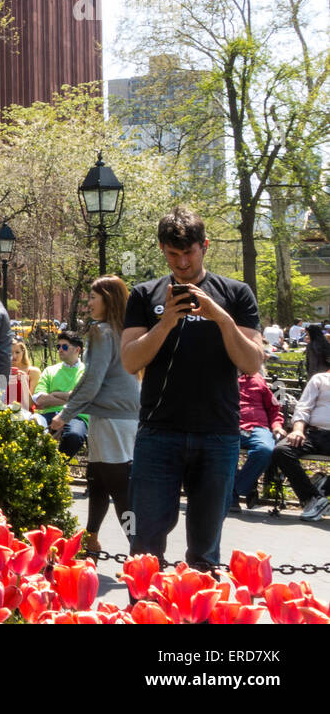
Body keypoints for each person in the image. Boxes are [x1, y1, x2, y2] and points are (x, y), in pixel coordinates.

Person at [122, 206, 264, 570]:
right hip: (158, 433)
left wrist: (221, 317)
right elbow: (130, 360)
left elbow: (251, 363)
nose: (182, 262)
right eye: (173, 254)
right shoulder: (143, 294)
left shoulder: (236, 293)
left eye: (189, 252)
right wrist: (167, 321)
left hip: (217, 434)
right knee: (145, 546)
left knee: (204, 551)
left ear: (205, 246)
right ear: (162, 249)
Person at [50, 276, 139, 554]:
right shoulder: (122, 331)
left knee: (119, 488)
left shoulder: (102, 331)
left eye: (92, 297)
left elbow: (92, 380)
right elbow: (90, 380)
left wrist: (65, 414)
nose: (88, 303)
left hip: (113, 419)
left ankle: (140, 548)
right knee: (97, 478)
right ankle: (92, 538)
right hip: (119, 417)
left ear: (108, 300)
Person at [270, 366, 330, 520]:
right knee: (282, 450)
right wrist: (298, 430)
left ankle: (324, 487)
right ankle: (312, 498)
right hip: (316, 433)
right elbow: (303, 407)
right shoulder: (320, 379)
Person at [232, 364, 285, 511]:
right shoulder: (220, 379)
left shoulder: (257, 380)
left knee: (265, 450)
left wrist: (276, 426)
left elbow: (274, 409)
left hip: (257, 428)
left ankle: (234, 491)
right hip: (229, 426)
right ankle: (231, 497)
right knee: (222, 449)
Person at [34, 331, 90, 457]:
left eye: (64, 347)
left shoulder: (87, 372)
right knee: (28, 430)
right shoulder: (50, 371)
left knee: (74, 436)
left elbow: (84, 398)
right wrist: (70, 397)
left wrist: (54, 394)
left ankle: (56, 467)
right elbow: (39, 400)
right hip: (48, 415)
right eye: (58, 346)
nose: (60, 350)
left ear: (77, 350)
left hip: (76, 416)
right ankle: (41, 468)